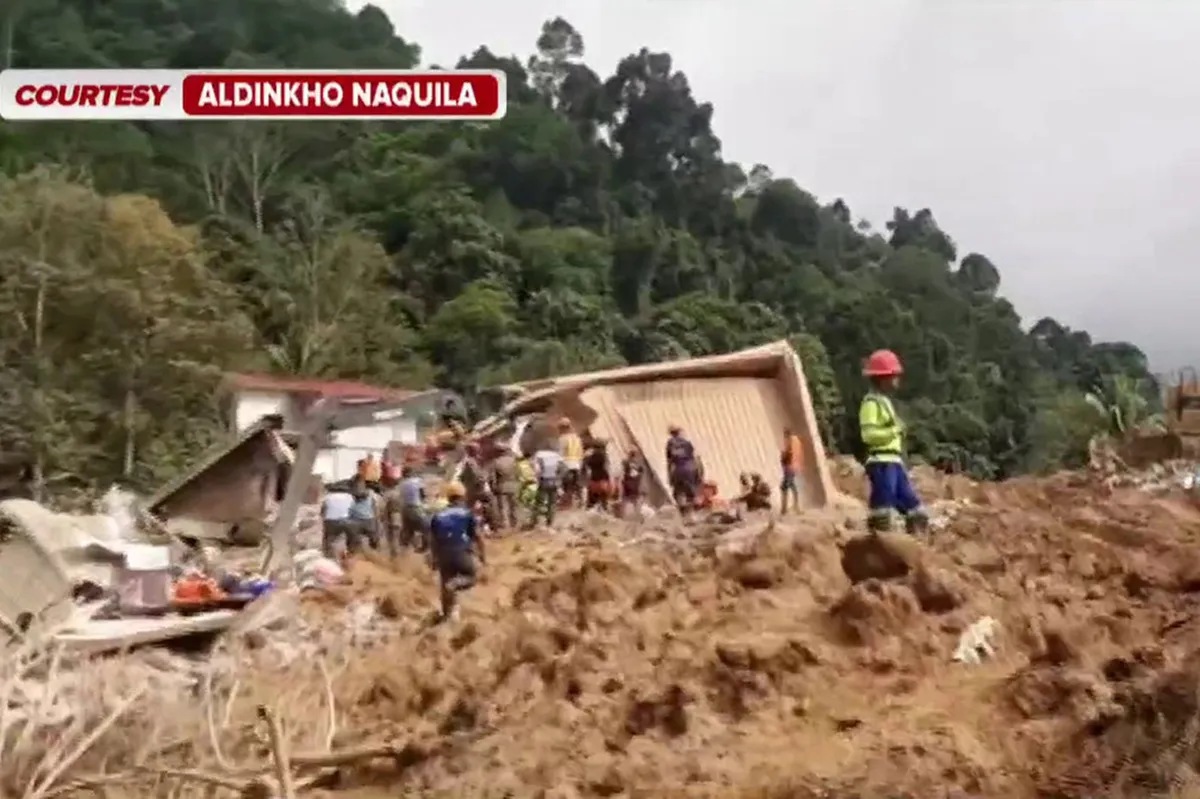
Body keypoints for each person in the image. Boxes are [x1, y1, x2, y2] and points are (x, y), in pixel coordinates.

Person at [859, 349, 928, 534]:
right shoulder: (870, 404)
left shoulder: (884, 402)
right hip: (881, 462)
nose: (897, 379)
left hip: (894, 462)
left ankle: (915, 541)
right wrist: (894, 430)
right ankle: (878, 542)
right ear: (884, 378)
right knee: (883, 510)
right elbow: (868, 436)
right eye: (894, 375)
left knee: (914, 508)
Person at [428, 480, 485, 622]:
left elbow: (433, 541)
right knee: (471, 577)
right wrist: (482, 555)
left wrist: (434, 559)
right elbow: (477, 536)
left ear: (448, 497)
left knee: (445, 586)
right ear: (463, 496)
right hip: (461, 553)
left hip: (443, 556)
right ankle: (455, 584)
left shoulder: (438, 515)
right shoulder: (467, 514)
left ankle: (446, 616)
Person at [386, 465, 427, 554]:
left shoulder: (401, 484)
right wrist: (423, 501)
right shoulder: (417, 481)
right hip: (416, 508)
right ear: (411, 473)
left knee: (408, 531)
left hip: (405, 510)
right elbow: (422, 494)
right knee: (426, 529)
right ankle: (423, 548)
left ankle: (403, 554)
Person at [665, 424, 700, 514]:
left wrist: (669, 476)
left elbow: (669, 462)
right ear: (680, 432)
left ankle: (683, 513)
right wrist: (698, 473)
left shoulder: (670, 444)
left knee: (679, 492)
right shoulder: (687, 443)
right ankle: (693, 513)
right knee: (692, 493)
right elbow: (695, 458)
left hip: (678, 470)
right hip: (690, 468)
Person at [489, 441, 520, 531]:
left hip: (501, 486)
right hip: (514, 485)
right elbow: (518, 473)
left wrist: (493, 487)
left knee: (503, 507)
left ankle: (505, 525)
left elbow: (493, 478)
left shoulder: (496, 462)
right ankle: (515, 524)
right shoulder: (514, 461)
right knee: (514, 506)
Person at [320, 482, 354, 561]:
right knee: (350, 539)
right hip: (347, 521)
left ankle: (328, 557)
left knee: (328, 539)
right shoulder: (350, 497)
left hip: (331, 521)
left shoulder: (328, 497)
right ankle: (349, 555)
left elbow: (322, 512)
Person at [532, 443, 564, 527]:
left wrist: (537, 478)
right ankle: (550, 522)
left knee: (539, 502)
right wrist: (559, 478)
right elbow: (562, 468)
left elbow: (537, 469)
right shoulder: (557, 455)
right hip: (554, 481)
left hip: (544, 480)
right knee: (552, 503)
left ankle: (535, 521)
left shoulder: (539, 454)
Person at [557, 418, 584, 508]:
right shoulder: (577, 438)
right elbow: (581, 453)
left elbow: (560, 454)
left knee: (564, 485)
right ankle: (578, 501)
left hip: (566, 465)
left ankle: (566, 503)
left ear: (562, 428)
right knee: (574, 485)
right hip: (577, 465)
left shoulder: (562, 439)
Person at [583, 438, 614, 511]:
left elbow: (586, 468)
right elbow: (607, 468)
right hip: (603, 481)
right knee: (604, 503)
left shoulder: (589, 457)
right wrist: (611, 481)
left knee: (591, 504)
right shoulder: (604, 456)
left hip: (593, 481)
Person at [348, 480, 378, 549]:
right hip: (368, 519)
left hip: (356, 520)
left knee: (353, 539)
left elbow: (349, 509)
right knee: (373, 538)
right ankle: (373, 549)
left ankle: (353, 550)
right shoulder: (370, 494)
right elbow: (374, 507)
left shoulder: (352, 496)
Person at [780, 427, 804, 513]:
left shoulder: (790, 442)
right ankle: (794, 506)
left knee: (785, 487)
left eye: (785, 435)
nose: (784, 437)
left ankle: (786, 508)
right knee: (791, 486)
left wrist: (783, 455)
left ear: (787, 434)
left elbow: (789, 455)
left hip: (789, 468)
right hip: (793, 467)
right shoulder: (795, 441)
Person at [618, 448, 645, 518]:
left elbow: (623, 473)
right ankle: (637, 515)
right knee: (635, 501)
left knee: (624, 500)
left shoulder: (626, 462)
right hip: (635, 485)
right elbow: (641, 474)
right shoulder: (638, 465)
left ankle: (622, 515)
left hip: (627, 484)